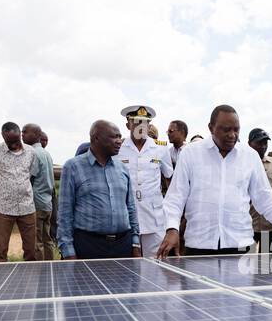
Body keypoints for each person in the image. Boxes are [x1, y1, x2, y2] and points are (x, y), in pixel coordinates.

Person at [158, 105, 272, 257]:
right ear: (211, 127)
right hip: (199, 246)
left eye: (236, 129)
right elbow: (175, 197)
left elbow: (266, 200)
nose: (232, 135)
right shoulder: (191, 154)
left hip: (240, 247)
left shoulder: (250, 157)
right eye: (226, 129)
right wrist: (172, 229)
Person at [57, 120, 141, 259]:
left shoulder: (122, 168)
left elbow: (131, 208)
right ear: (96, 138)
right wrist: (68, 251)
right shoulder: (73, 167)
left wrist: (135, 243)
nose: (119, 141)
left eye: (120, 137)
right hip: (88, 246)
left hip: (122, 246)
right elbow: (65, 214)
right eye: (114, 137)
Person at [120, 105, 174, 258]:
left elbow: (170, 180)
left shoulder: (160, 149)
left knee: (156, 264)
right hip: (126, 217)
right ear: (128, 124)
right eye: (136, 122)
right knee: (126, 265)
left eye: (144, 123)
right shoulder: (119, 149)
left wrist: (171, 213)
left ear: (149, 125)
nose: (140, 126)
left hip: (154, 217)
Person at [0, 121, 39, 262]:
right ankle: (1, 279)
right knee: (1, 251)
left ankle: (31, 278)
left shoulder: (31, 152)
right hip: (2, 207)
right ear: (2, 136)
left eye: (16, 140)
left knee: (31, 249)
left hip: (27, 206)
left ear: (20, 135)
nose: (13, 145)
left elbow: (32, 174)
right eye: (9, 142)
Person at [23, 123, 55, 260]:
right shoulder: (46, 153)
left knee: (36, 241)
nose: (21, 135)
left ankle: (39, 272)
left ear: (35, 135)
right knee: (47, 239)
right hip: (47, 203)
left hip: (36, 203)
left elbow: (29, 178)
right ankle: (50, 267)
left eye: (25, 132)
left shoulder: (33, 153)